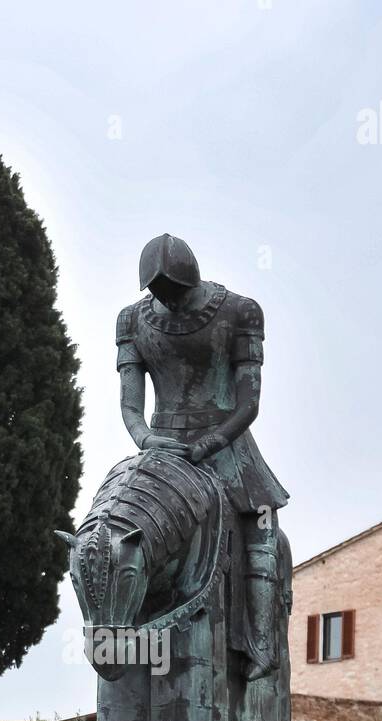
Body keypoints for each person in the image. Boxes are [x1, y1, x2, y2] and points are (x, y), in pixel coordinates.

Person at [116, 233, 288, 678]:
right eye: (154, 290)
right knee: (120, 533)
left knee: (262, 524)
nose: (161, 298)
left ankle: (261, 645)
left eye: (168, 288)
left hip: (227, 446)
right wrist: (146, 440)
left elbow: (249, 403)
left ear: (186, 279)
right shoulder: (131, 321)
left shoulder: (240, 311)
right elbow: (131, 406)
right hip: (163, 449)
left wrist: (211, 442)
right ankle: (120, 635)